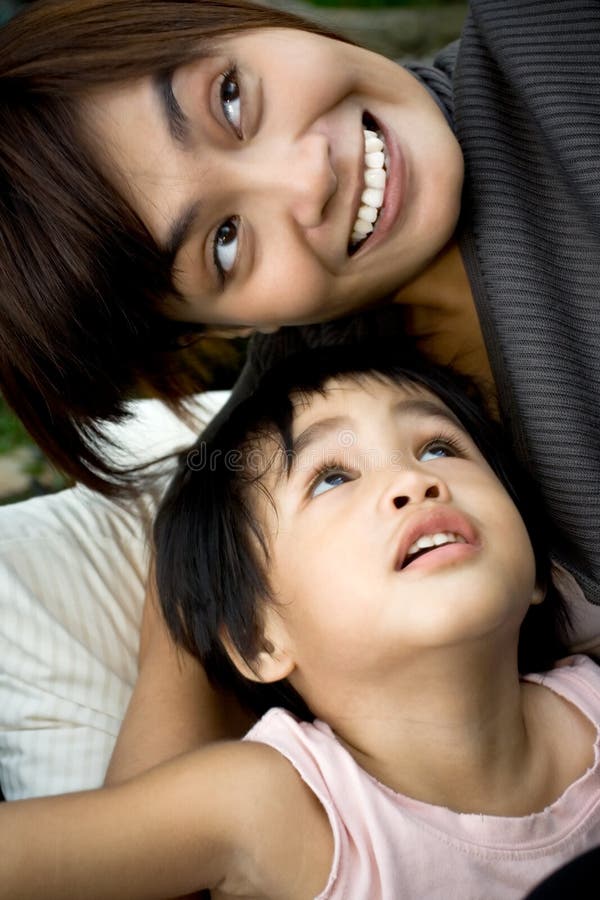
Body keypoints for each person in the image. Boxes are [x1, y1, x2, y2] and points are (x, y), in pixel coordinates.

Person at [3, 0, 600, 797]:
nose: (309, 176)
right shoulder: (272, 467)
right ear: (204, 330)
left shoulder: (555, 38)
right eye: (224, 242)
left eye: (230, 99)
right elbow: (146, 828)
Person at [2, 341, 600, 899]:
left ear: (540, 576)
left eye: (438, 447)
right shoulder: (274, 806)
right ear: (258, 639)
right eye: (331, 477)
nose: (415, 481)